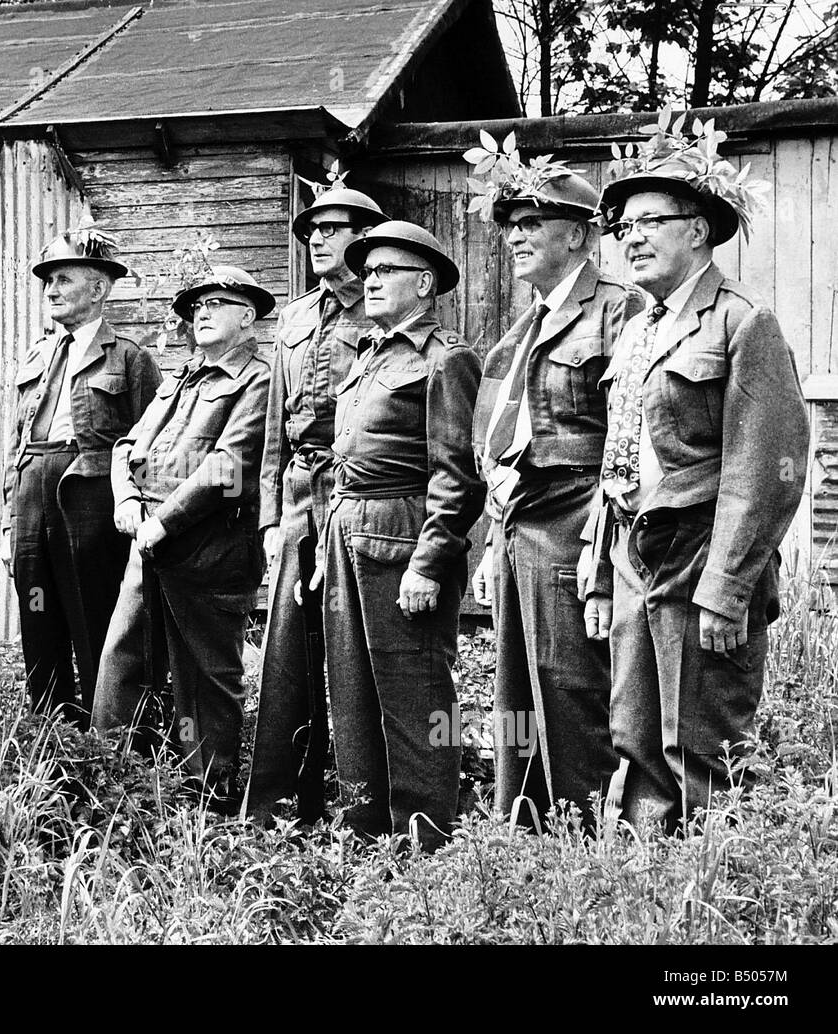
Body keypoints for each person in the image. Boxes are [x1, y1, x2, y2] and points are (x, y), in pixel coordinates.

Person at [586, 115, 809, 832]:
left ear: (701, 230)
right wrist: (600, 571)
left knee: (704, 743)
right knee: (635, 732)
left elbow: (766, 469)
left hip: (700, 556)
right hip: (634, 553)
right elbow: (617, 453)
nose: (633, 238)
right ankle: (647, 882)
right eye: (623, 227)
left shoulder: (745, 322)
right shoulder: (638, 324)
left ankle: (714, 895)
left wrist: (726, 589)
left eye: (653, 221)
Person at [466, 149, 643, 828]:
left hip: (578, 529)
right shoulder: (518, 332)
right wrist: (490, 542)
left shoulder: (619, 313)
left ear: (577, 233)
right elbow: (502, 446)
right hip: (518, 531)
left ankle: (589, 841)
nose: (515, 234)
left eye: (532, 220)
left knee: (575, 692)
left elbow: (626, 445)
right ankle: (527, 838)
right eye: (509, 222)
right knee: (516, 696)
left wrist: (602, 556)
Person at [323, 221, 484, 850]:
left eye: (386, 270)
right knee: (355, 689)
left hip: (401, 540)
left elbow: (458, 476)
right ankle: (366, 833)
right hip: (349, 534)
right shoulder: (370, 355)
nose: (371, 279)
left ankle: (427, 840)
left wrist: (430, 563)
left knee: (416, 694)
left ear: (424, 283)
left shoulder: (448, 359)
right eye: (367, 271)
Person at [94, 266, 273, 810]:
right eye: (197, 305)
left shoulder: (260, 381)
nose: (202, 312)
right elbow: (127, 445)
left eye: (217, 303)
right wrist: (127, 499)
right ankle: (109, 781)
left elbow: (230, 467)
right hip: (148, 546)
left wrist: (164, 520)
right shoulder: (180, 379)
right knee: (121, 663)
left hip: (210, 553)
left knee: (206, 677)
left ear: (247, 316)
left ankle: (209, 803)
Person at [243, 182, 385, 825]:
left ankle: (362, 813)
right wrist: (273, 516)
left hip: (357, 491)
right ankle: (278, 809)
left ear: (365, 235)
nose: (318, 239)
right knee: (286, 659)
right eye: (312, 230)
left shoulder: (387, 313)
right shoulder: (297, 318)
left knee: (353, 653)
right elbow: (275, 422)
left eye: (333, 228)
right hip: (301, 493)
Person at [1, 227, 162, 727]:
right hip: (32, 493)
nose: (50, 289)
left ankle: (107, 743)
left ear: (98, 289)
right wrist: (10, 521)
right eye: (47, 280)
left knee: (95, 619)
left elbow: (149, 444)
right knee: (38, 615)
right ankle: (53, 740)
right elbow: (16, 441)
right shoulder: (37, 355)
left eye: (63, 278)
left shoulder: (129, 359)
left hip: (89, 497)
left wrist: (142, 512)